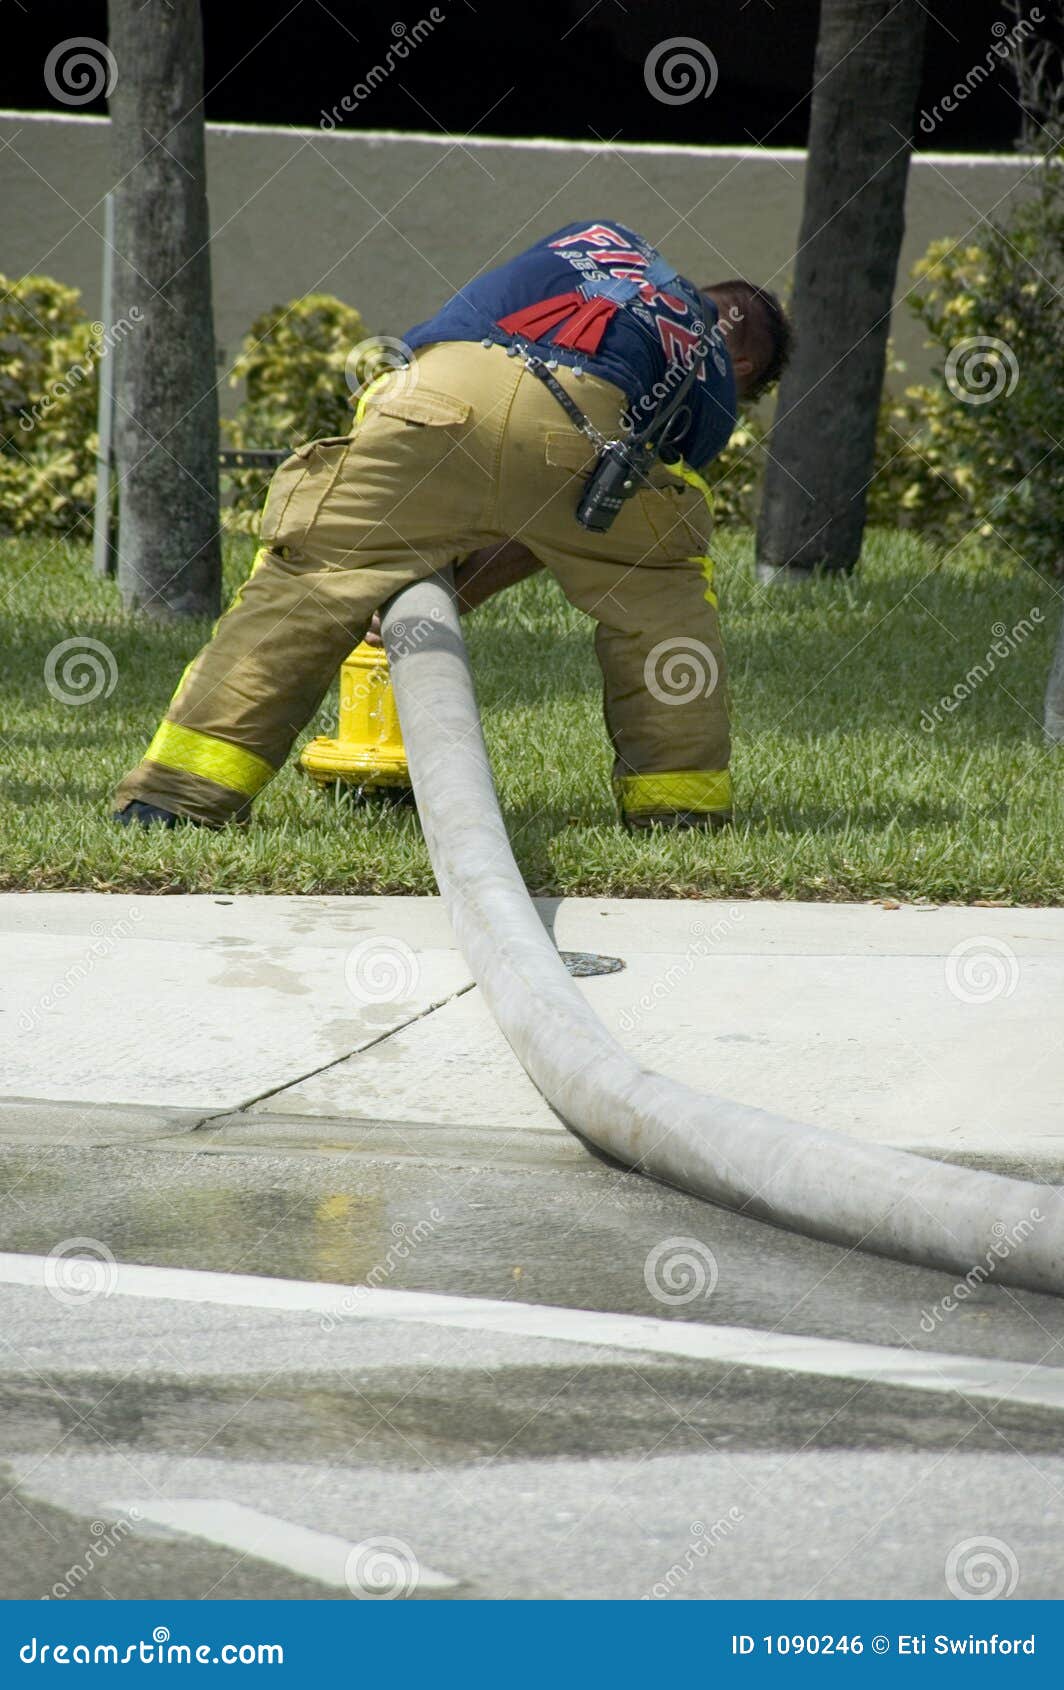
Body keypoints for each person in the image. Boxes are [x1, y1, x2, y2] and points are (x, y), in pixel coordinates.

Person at [114, 219, 790, 832]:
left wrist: (405, 549)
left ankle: (174, 800)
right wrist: (468, 588)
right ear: (746, 368)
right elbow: (589, 511)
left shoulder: (599, 236)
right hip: (582, 428)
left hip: (424, 395)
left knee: (305, 584)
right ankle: (679, 809)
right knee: (662, 591)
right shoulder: (709, 366)